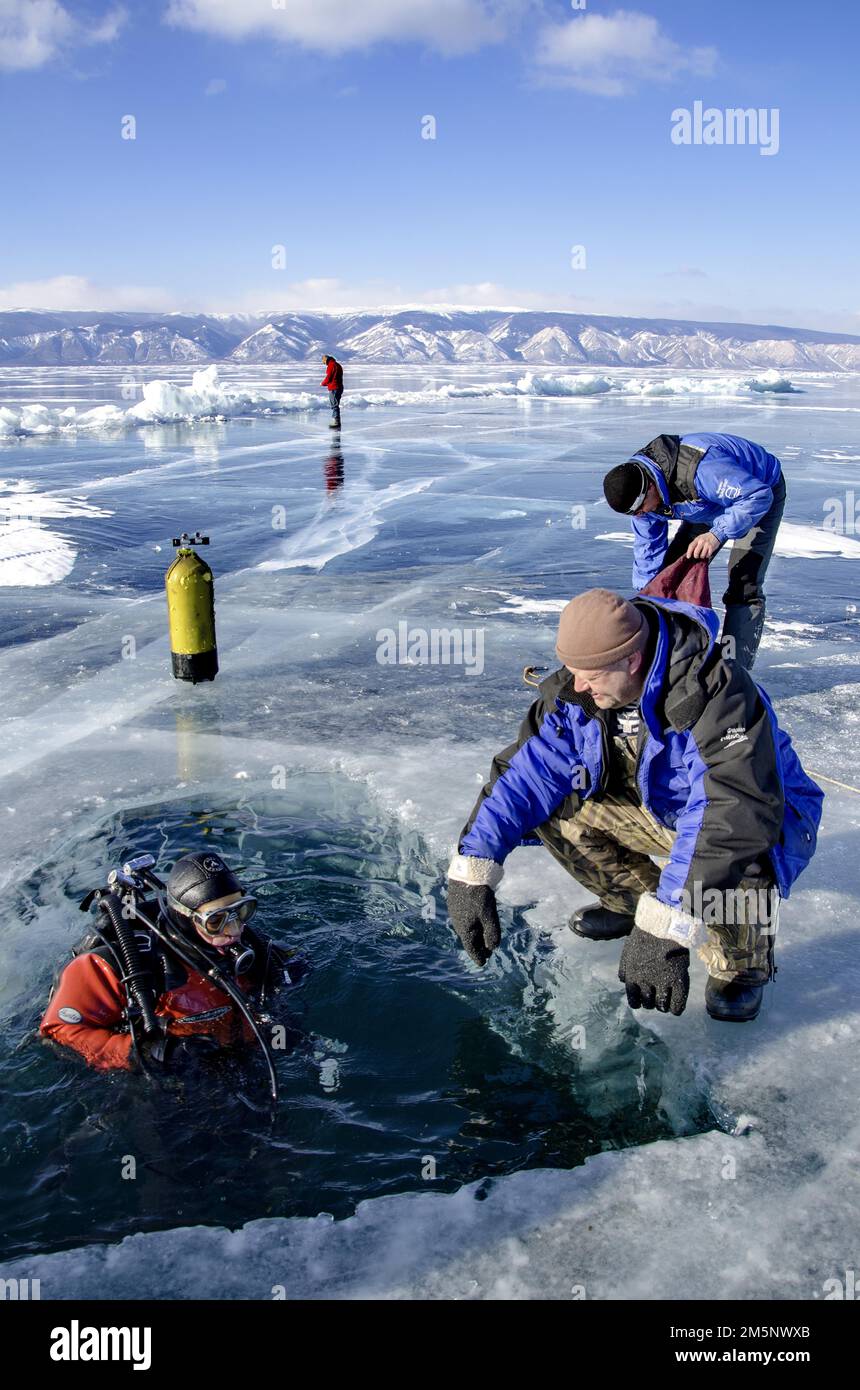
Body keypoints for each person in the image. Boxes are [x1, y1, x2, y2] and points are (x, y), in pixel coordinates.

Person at [447, 588, 823, 1023]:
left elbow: (731, 813)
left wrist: (667, 925)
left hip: (758, 818)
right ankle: (631, 900)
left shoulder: (715, 693)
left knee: (744, 854)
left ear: (632, 660)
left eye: (591, 675)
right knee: (557, 808)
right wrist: (473, 868)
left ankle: (740, 965)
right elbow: (529, 775)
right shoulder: (580, 690)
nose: (579, 686)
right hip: (663, 807)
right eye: (573, 672)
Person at [41, 852, 297, 1071]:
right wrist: (148, 1053)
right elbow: (58, 1033)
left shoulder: (253, 948)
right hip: (168, 1078)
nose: (234, 929)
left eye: (241, 911)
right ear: (186, 918)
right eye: (216, 920)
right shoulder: (122, 964)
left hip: (234, 1058)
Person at [602, 432, 786, 668]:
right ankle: (673, 658)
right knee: (670, 576)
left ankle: (736, 668)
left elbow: (757, 495)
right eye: (634, 514)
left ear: (649, 488)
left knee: (743, 582)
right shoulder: (639, 497)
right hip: (704, 504)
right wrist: (647, 596)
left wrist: (716, 534)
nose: (639, 516)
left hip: (757, 495)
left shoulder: (702, 469)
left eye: (639, 509)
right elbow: (648, 551)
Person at [320, 354, 344, 429]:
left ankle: (336, 421)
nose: (323, 363)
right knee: (336, 404)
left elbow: (329, 377)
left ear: (326, 359)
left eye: (323, 361)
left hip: (334, 387)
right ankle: (337, 421)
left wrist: (323, 383)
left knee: (334, 404)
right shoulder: (337, 364)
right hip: (339, 387)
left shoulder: (331, 365)